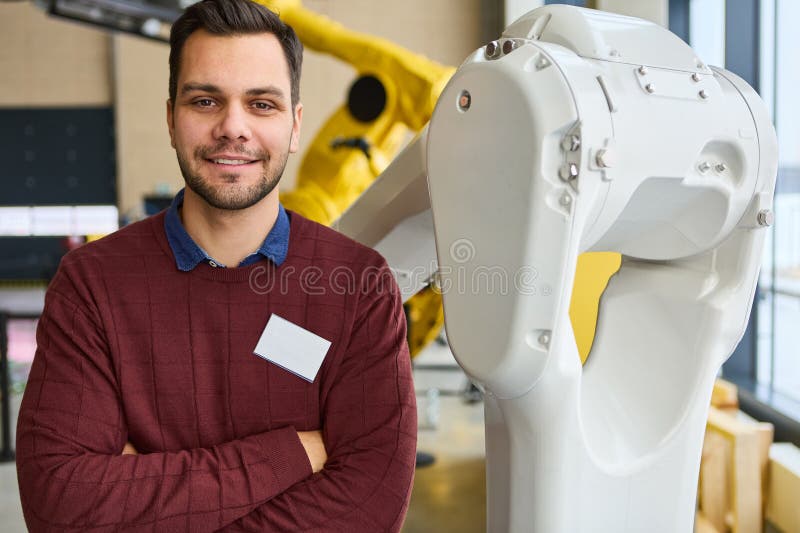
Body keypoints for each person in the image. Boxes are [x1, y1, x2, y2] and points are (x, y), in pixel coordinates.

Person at [15, 0, 417, 530]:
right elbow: (60, 505)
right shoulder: (92, 285)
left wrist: (141, 491)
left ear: (295, 127)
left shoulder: (358, 285)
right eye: (205, 100)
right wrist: (291, 456)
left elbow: (370, 510)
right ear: (170, 119)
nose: (233, 127)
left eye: (262, 105)